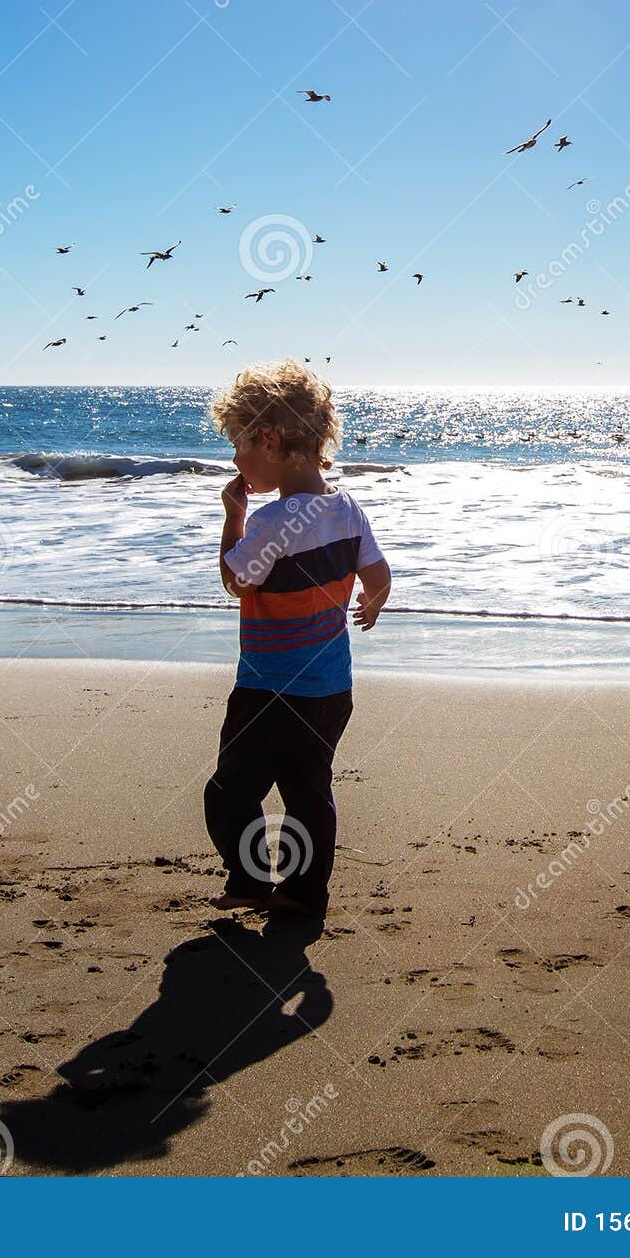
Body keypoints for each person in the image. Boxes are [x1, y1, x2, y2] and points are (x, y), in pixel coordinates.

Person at [205, 358, 390, 920]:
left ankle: (251, 878)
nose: (235, 459)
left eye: (239, 444)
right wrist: (373, 599)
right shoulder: (349, 509)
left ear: (270, 439)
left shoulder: (269, 522)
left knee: (231, 791)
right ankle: (306, 895)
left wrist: (233, 517)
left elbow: (237, 581)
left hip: (267, 691)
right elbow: (379, 575)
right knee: (309, 793)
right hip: (330, 691)